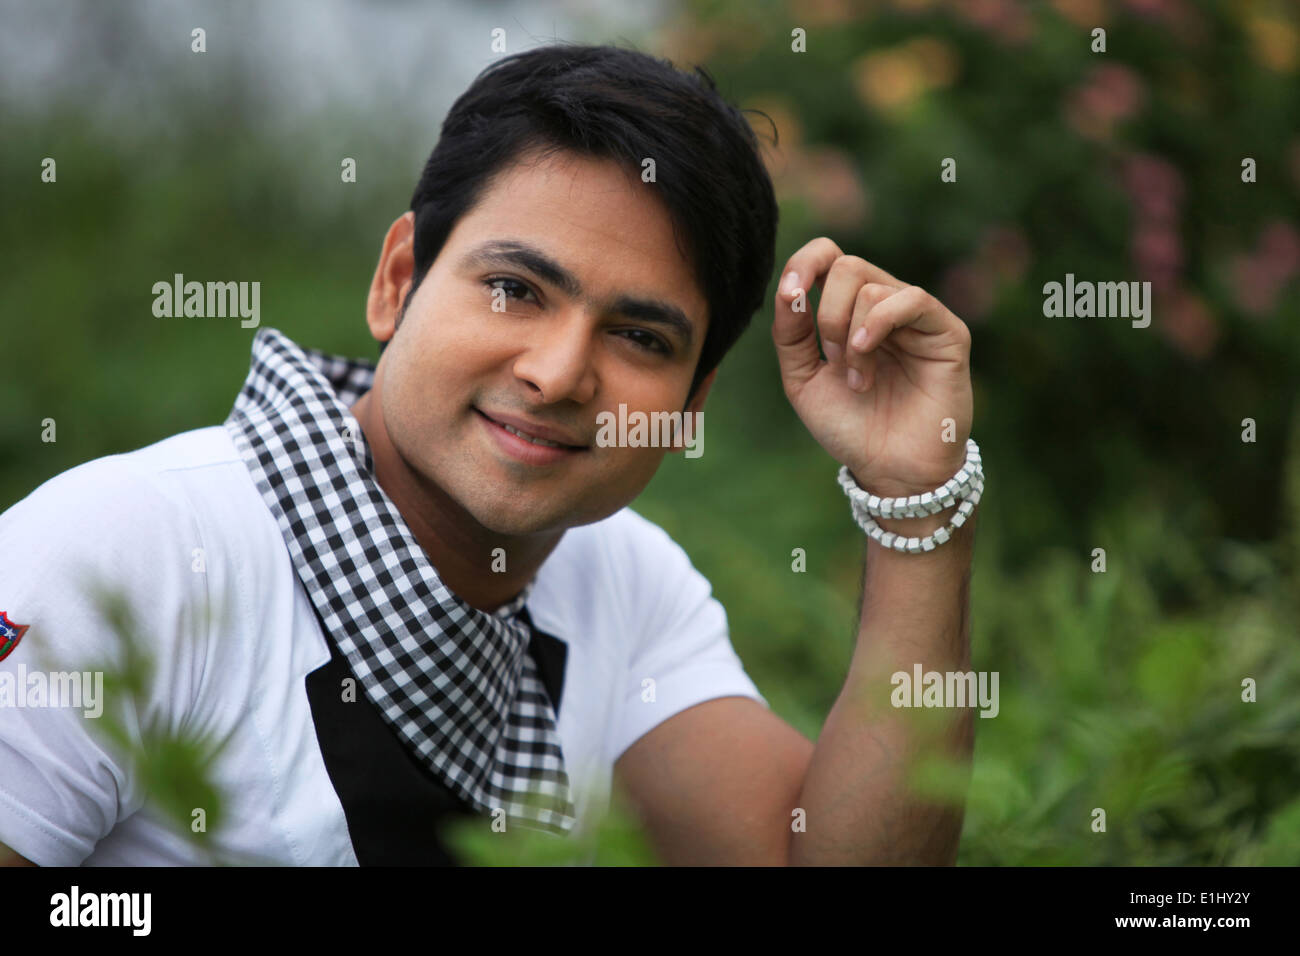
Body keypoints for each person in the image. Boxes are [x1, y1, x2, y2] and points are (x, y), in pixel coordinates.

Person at [0, 42, 976, 867]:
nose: (558, 373)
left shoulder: (622, 580)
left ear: (689, 407)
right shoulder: (126, 548)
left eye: (640, 337)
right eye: (514, 288)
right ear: (397, 281)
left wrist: (918, 496)